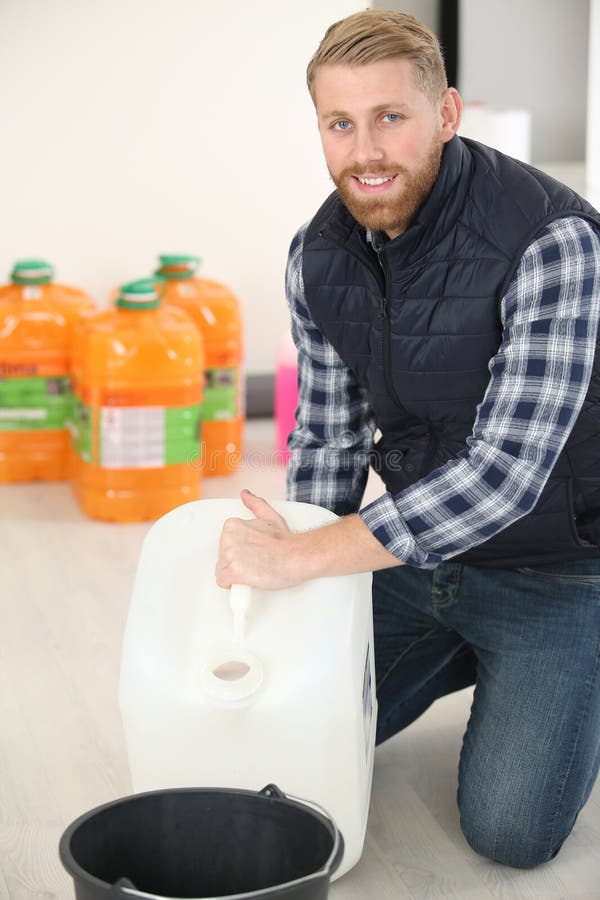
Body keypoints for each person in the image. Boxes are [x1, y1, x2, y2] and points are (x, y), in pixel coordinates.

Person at [216, 8, 600, 869]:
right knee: (276, 732)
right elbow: (327, 432)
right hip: (425, 559)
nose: (366, 152)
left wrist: (309, 562)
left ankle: (566, 667)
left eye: (390, 117)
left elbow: (505, 478)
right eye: (340, 124)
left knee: (511, 834)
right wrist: (300, 550)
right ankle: (464, 647)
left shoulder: (553, 240)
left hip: (562, 569)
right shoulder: (315, 254)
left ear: (448, 114)